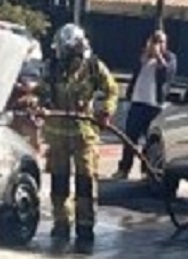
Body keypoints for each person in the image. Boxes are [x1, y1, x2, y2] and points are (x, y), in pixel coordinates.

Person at [39, 23, 119, 245]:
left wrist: (106, 111)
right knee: (59, 182)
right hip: (57, 135)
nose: (63, 57)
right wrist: (37, 103)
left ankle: (85, 226)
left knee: (85, 181)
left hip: (85, 135)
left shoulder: (94, 67)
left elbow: (112, 89)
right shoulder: (52, 67)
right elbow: (41, 91)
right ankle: (61, 223)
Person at [114, 30, 178, 179]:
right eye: (154, 40)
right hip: (138, 102)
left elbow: (167, 75)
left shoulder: (170, 58)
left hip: (154, 105)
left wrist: (159, 56)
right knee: (130, 138)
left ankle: (146, 170)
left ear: (166, 43)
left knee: (149, 141)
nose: (157, 44)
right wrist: (147, 54)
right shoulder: (144, 57)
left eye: (160, 41)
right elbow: (135, 75)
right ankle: (124, 169)